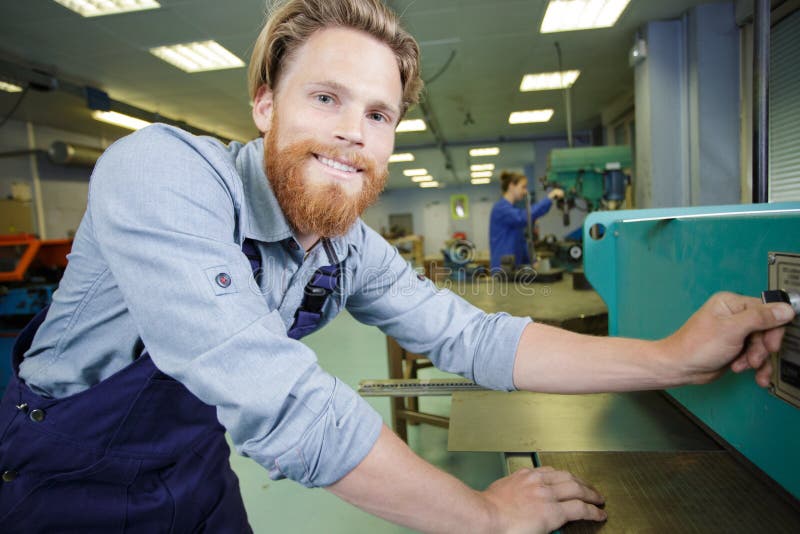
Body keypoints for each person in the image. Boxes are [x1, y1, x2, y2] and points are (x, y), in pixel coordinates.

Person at [0, 0, 793, 532]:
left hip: (198, 470)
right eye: (325, 98)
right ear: (265, 103)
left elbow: (475, 338)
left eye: (378, 113)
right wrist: (481, 517)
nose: (353, 131)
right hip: (67, 483)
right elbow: (285, 405)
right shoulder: (160, 174)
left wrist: (672, 359)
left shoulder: (347, 249)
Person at [489, 170, 564, 272]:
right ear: (511, 186)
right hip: (503, 269)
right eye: (523, 187)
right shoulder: (501, 209)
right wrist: (549, 198)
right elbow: (524, 217)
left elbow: (521, 241)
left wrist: (531, 262)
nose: (525, 191)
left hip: (513, 268)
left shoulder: (512, 209)